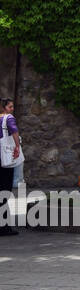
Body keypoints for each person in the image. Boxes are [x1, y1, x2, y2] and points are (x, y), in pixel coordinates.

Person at [0, 99, 22, 236]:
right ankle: (4, 227)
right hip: (5, 159)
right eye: (10, 106)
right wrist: (17, 146)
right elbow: (14, 131)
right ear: (4, 108)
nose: (12, 109)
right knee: (5, 191)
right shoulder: (9, 118)